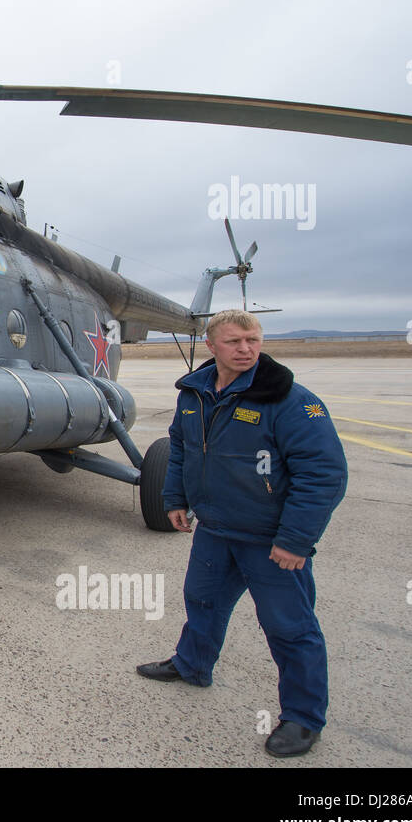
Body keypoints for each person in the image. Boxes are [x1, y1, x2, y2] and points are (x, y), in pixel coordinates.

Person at [136, 309, 347, 758]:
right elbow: (180, 448)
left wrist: (295, 540)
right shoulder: (194, 394)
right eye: (234, 342)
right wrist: (175, 499)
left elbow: (324, 474)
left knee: (290, 628)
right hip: (214, 529)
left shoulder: (288, 400)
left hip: (269, 540)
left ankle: (304, 718)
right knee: (202, 603)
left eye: (253, 340)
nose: (246, 349)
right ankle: (192, 665)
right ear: (212, 346)